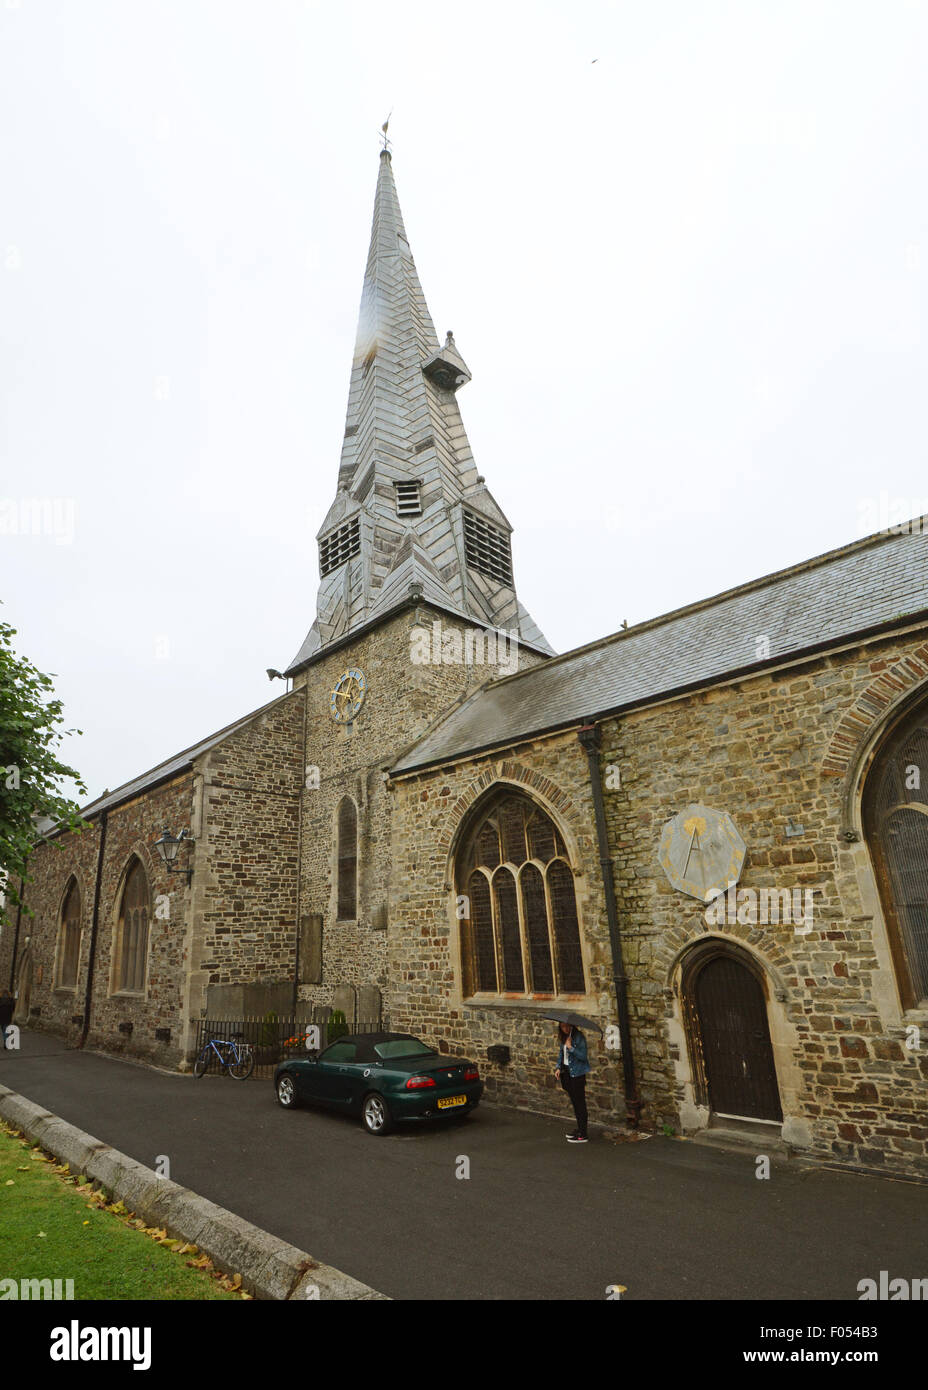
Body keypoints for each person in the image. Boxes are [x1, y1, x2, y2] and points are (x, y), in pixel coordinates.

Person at [554, 1020, 590, 1142]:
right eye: (562, 1026)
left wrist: (571, 1047)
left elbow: (583, 1056)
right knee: (574, 1102)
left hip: (577, 1075)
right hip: (567, 1074)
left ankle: (583, 1134)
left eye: (567, 1026)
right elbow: (561, 1054)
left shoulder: (579, 1037)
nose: (565, 1028)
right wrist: (558, 1067)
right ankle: (580, 1129)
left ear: (571, 1025)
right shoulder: (564, 1037)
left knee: (580, 1104)